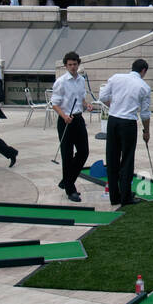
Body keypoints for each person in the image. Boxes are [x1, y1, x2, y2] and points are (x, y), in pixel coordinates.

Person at [98, 59, 152, 207]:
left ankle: (114, 196)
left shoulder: (116, 77)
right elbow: (145, 114)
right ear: (143, 71)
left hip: (113, 120)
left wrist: (114, 105)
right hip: (128, 123)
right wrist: (146, 132)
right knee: (127, 160)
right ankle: (126, 196)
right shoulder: (144, 87)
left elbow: (102, 97)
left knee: (112, 157)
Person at [51, 51, 91, 203]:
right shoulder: (61, 82)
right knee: (67, 155)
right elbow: (54, 103)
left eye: (75, 64)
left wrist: (86, 104)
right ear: (65, 66)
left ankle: (66, 180)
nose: (73, 67)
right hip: (65, 120)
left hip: (78, 119)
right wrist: (64, 116)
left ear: (78, 64)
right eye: (70, 65)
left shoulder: (81, 80)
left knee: (83, 152)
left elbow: (80, 99)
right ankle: (70, 189)